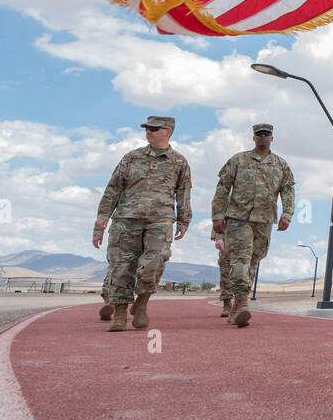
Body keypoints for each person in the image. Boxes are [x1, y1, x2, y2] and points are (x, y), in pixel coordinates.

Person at [93, 116, 192, 332]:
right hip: (126, 219)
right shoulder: (132, 157)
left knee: (155, 262)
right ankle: (120, 313)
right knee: (122, 265)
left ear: (168, 131)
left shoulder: (179, 162)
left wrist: (184, 220)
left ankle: (141, 303)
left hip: (160, 220)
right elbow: (113, 189)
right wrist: (101, 222)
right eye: (147, 128)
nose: (149, 132)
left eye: (154, 129)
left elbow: (183, 194)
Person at [212, 123, 295, 328]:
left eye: (266, 135)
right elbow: (223, 188)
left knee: (252, 262)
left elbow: (288, 190)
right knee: (240, 259)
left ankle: (237, 305)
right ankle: (241, 302)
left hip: (264, 220)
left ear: (272, 138)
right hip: (238, 218)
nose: (263, 137)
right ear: (253, 138)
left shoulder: (281, 165)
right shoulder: (238, 160)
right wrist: (218, 215)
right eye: (259, 135)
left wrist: (287, 214)